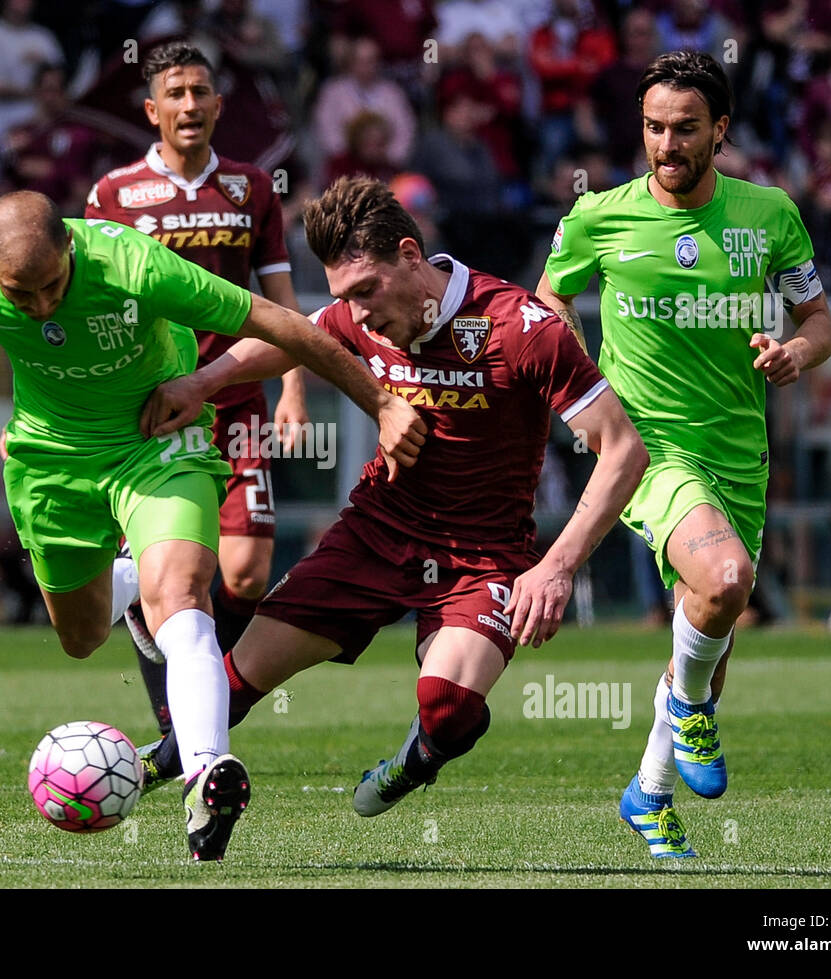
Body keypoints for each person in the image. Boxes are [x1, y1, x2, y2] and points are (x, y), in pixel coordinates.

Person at [0, 189, 425, 861]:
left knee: (185, 598)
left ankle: (204, 777)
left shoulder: (137, 266)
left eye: (52, 285)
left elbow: (282, 322)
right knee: (80, 635)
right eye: (22, 293)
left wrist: (381, 405)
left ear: (72, 247)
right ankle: (124, 587)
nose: (42, 305)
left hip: (157, 441)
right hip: (50, 461)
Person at [133, 175, 648, 816]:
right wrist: (202, 382)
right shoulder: (356, 316)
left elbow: (623, 450)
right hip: (375, 534)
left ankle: (415, 760)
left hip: (482, 555)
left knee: (451, 710)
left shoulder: (520, 327)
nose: (359, 311)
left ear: (410, 256)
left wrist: (557, 565)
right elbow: (289, 337)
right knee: (236, 681)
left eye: (367, 291)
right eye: (346, 297)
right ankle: (142, 768)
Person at [536, 51, 831, 857]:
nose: (666, 144)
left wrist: (793, 355)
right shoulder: (600, 215)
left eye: (685, 129)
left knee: (711, 618)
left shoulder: (770, 214)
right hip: (647, 447)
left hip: (739, 451)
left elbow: (820, 324)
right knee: (727, 579)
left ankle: (650, 790)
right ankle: (694, 716)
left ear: (722, 131)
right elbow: (550, 300)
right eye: (653, 128)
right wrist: (582, 394)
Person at [84, 42, 310, 738]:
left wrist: (295, 389)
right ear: (152, 110)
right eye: (175, 94)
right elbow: (88, 309)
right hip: (150, 406)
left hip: (235, 396)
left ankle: (208, 684)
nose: (189, 105)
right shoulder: (115, 195)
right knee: (176, 569)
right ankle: (182, 720)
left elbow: (280, 302)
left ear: (218, 104)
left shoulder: (252, 187)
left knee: (244, 573)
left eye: (200, 92)